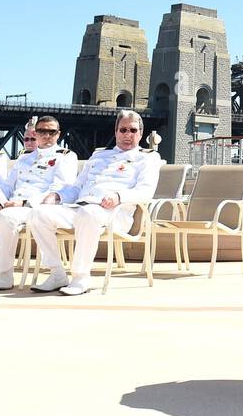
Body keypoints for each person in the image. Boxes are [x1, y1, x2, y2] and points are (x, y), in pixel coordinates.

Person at [26, 110, 158, 296]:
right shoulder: (98, 156)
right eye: (123, 130)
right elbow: (77, 187)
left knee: (88, 214)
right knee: (38, 213)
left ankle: (81, 277)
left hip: (114, 212)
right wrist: (57, 196)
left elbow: (146, 191)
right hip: (80, 207)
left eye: (133, 130)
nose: (127, 134)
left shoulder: (148, 158)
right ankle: (57, 274)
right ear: (116, 131)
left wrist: (119, 196)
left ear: (141, 133)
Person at [0, 116, 79, 289]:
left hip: (40, 207)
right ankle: (3, 275)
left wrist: (23, 203)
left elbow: (58, 189)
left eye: (51, 132)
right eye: (42, 131)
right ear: (35, 133)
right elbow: (9, 185)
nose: (46, 135)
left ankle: (54, 273)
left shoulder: (66, 157)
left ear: (58, 134)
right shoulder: (24, 158)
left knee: (6, 217)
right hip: (16, 206)